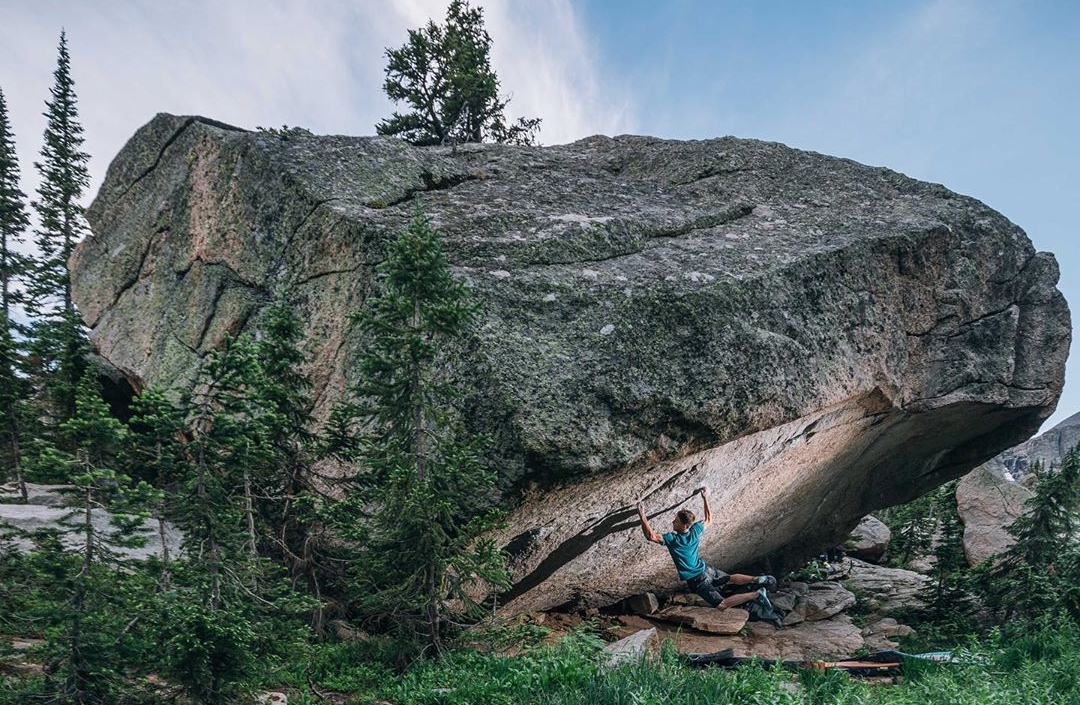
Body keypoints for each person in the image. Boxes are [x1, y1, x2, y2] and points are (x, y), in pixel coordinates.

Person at [637, 487, 782, 626]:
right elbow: (709, 519)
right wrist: (705, 498)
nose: (672, 522)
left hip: (697, 580)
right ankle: (756, 579)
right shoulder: (695, 530)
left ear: (685, 526)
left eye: (676, 521)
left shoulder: (673, 539)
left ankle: (756, 595)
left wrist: (642, 516)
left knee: (722, 604)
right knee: (729, 578)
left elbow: (651, 536)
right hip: (707, 570)